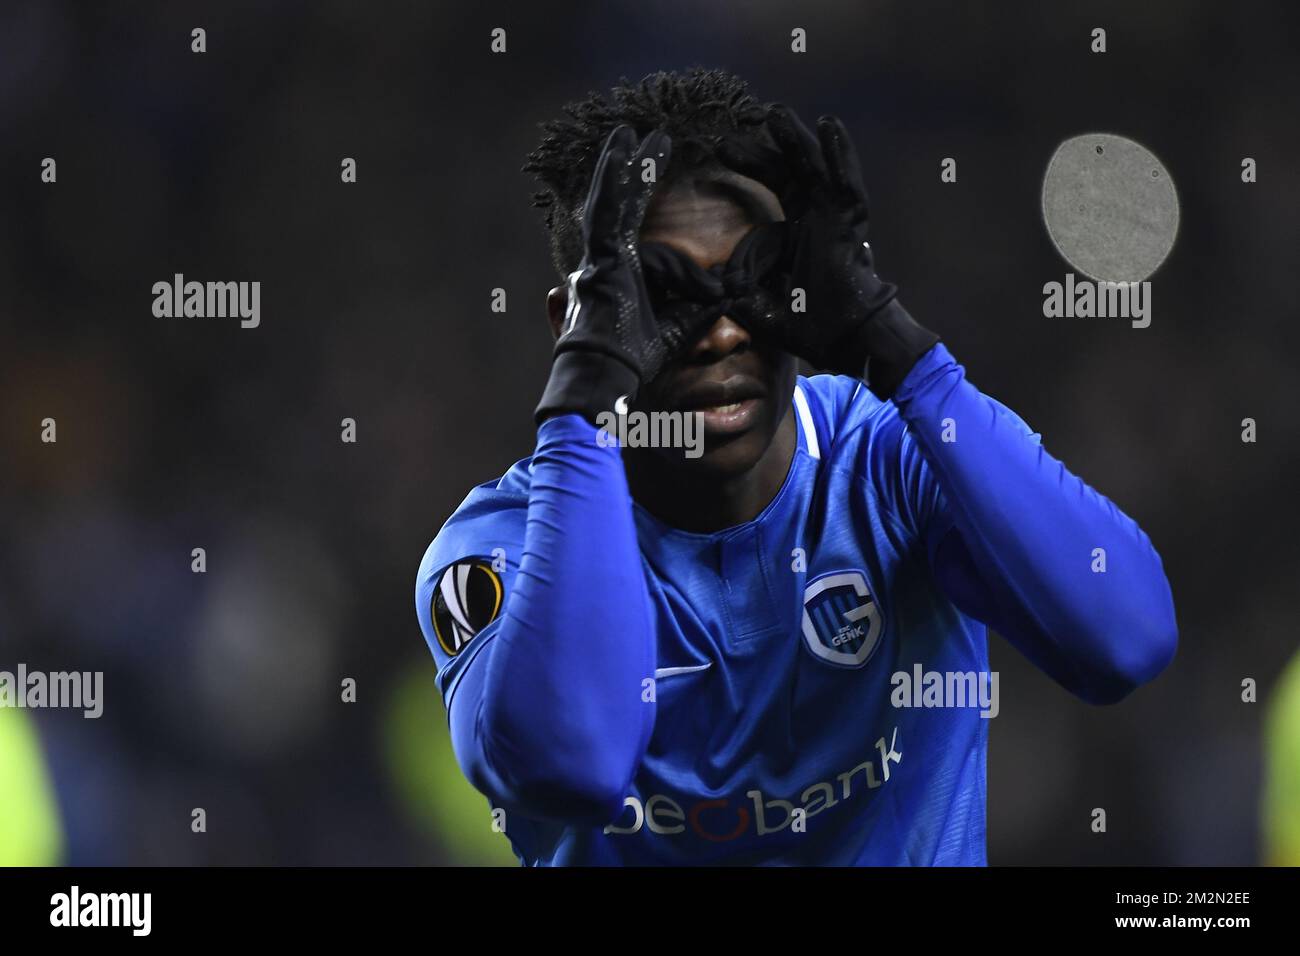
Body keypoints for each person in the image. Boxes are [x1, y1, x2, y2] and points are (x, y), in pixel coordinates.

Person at [415, 68, 1178, 865]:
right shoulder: (494, 549)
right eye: (665, 299)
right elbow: (568, 769)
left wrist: (904, 354)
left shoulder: (900, 460)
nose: (720, 336)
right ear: (574, 322)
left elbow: (1124, 641)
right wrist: (583, 408)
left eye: (753, 281)